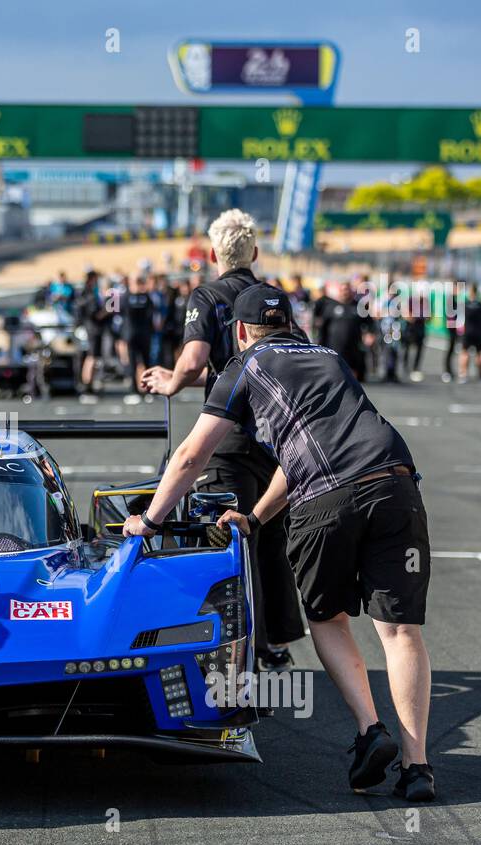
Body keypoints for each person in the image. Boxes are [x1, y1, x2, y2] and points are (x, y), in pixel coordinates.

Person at [125, 284, 435, 802]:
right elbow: (318, 445)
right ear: (292, 324)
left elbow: (190, 456)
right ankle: (418, 766)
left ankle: (370, 730)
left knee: (328, 619)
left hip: (326, 498)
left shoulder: (243, 365)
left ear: (241, 331)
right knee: (400, 631)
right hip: (395, 479)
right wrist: (254, 516)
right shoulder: (328, 356)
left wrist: (150, 521)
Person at [140, 210, 304, 671]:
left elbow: (196, 363)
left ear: (213, 254)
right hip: (276, 437)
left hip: (228, 437)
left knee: (226, 541)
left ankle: (230, 648)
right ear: (254, 253)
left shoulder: (207, 295)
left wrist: (173, 381)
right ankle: (272, 644)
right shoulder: (274, 298)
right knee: (269, 537)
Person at [123, 275, 154, 393]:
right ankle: (134, 390)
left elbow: (151, 314)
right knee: (133, 363)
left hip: (142, 334)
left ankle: (148, 389)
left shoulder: (143, 296)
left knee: (146, 362)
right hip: (133, 334)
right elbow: (116, 311)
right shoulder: (127, 296)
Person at [457, 286, 481, 383]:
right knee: (480, 354)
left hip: (467, 332)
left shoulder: (465, 305)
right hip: (480, 332)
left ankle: (463, 374)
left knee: (464, 353)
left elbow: (459, 320)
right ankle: (480, 374)